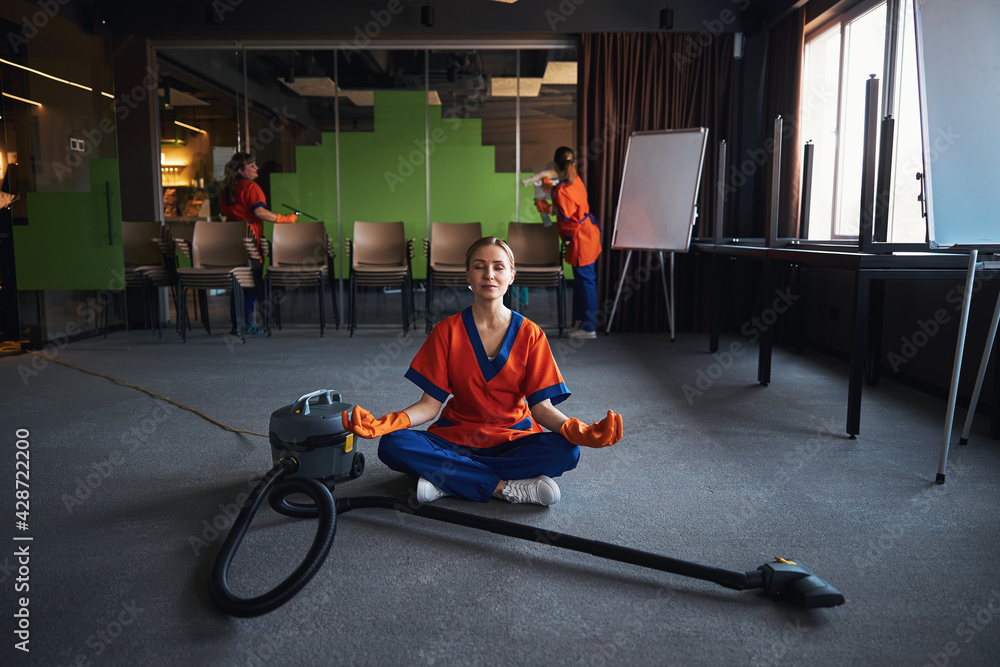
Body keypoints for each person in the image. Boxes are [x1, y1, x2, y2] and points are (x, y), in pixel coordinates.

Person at [341, 236, 623, 506]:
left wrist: (578, 430)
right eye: (479, 266)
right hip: (455, 439)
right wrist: (387, 423)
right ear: (468, 276)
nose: (489, 274)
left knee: (568, 450)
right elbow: (429, 406)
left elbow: (541, 409)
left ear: (511, 276)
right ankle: (504, 487)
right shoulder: (446, 331)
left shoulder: (531, 334)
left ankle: (449, 481)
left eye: (498, 267)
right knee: (393, 444)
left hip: (513, 439)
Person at [219, 152, 297, 334]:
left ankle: (238, 325)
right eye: (252, 165)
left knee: (237, 283)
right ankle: (246, 324)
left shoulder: (226, 189)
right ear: (241, 170)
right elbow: (260, 213)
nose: (256, 168)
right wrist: (286, 218)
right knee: (252, 284)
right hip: (249, 241)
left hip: (231, 239)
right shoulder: (251, 187)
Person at [535, 146, 602, 339]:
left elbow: (564, 213)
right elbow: (565, 194)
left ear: (556, 165)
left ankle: (589, 328)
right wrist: (550, 188)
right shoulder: (575, 180)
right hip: (587, 234)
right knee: (583, 281)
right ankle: (582, 323)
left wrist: (544, 207)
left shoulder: (563, 189)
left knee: (586, 281)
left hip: (582, 238)